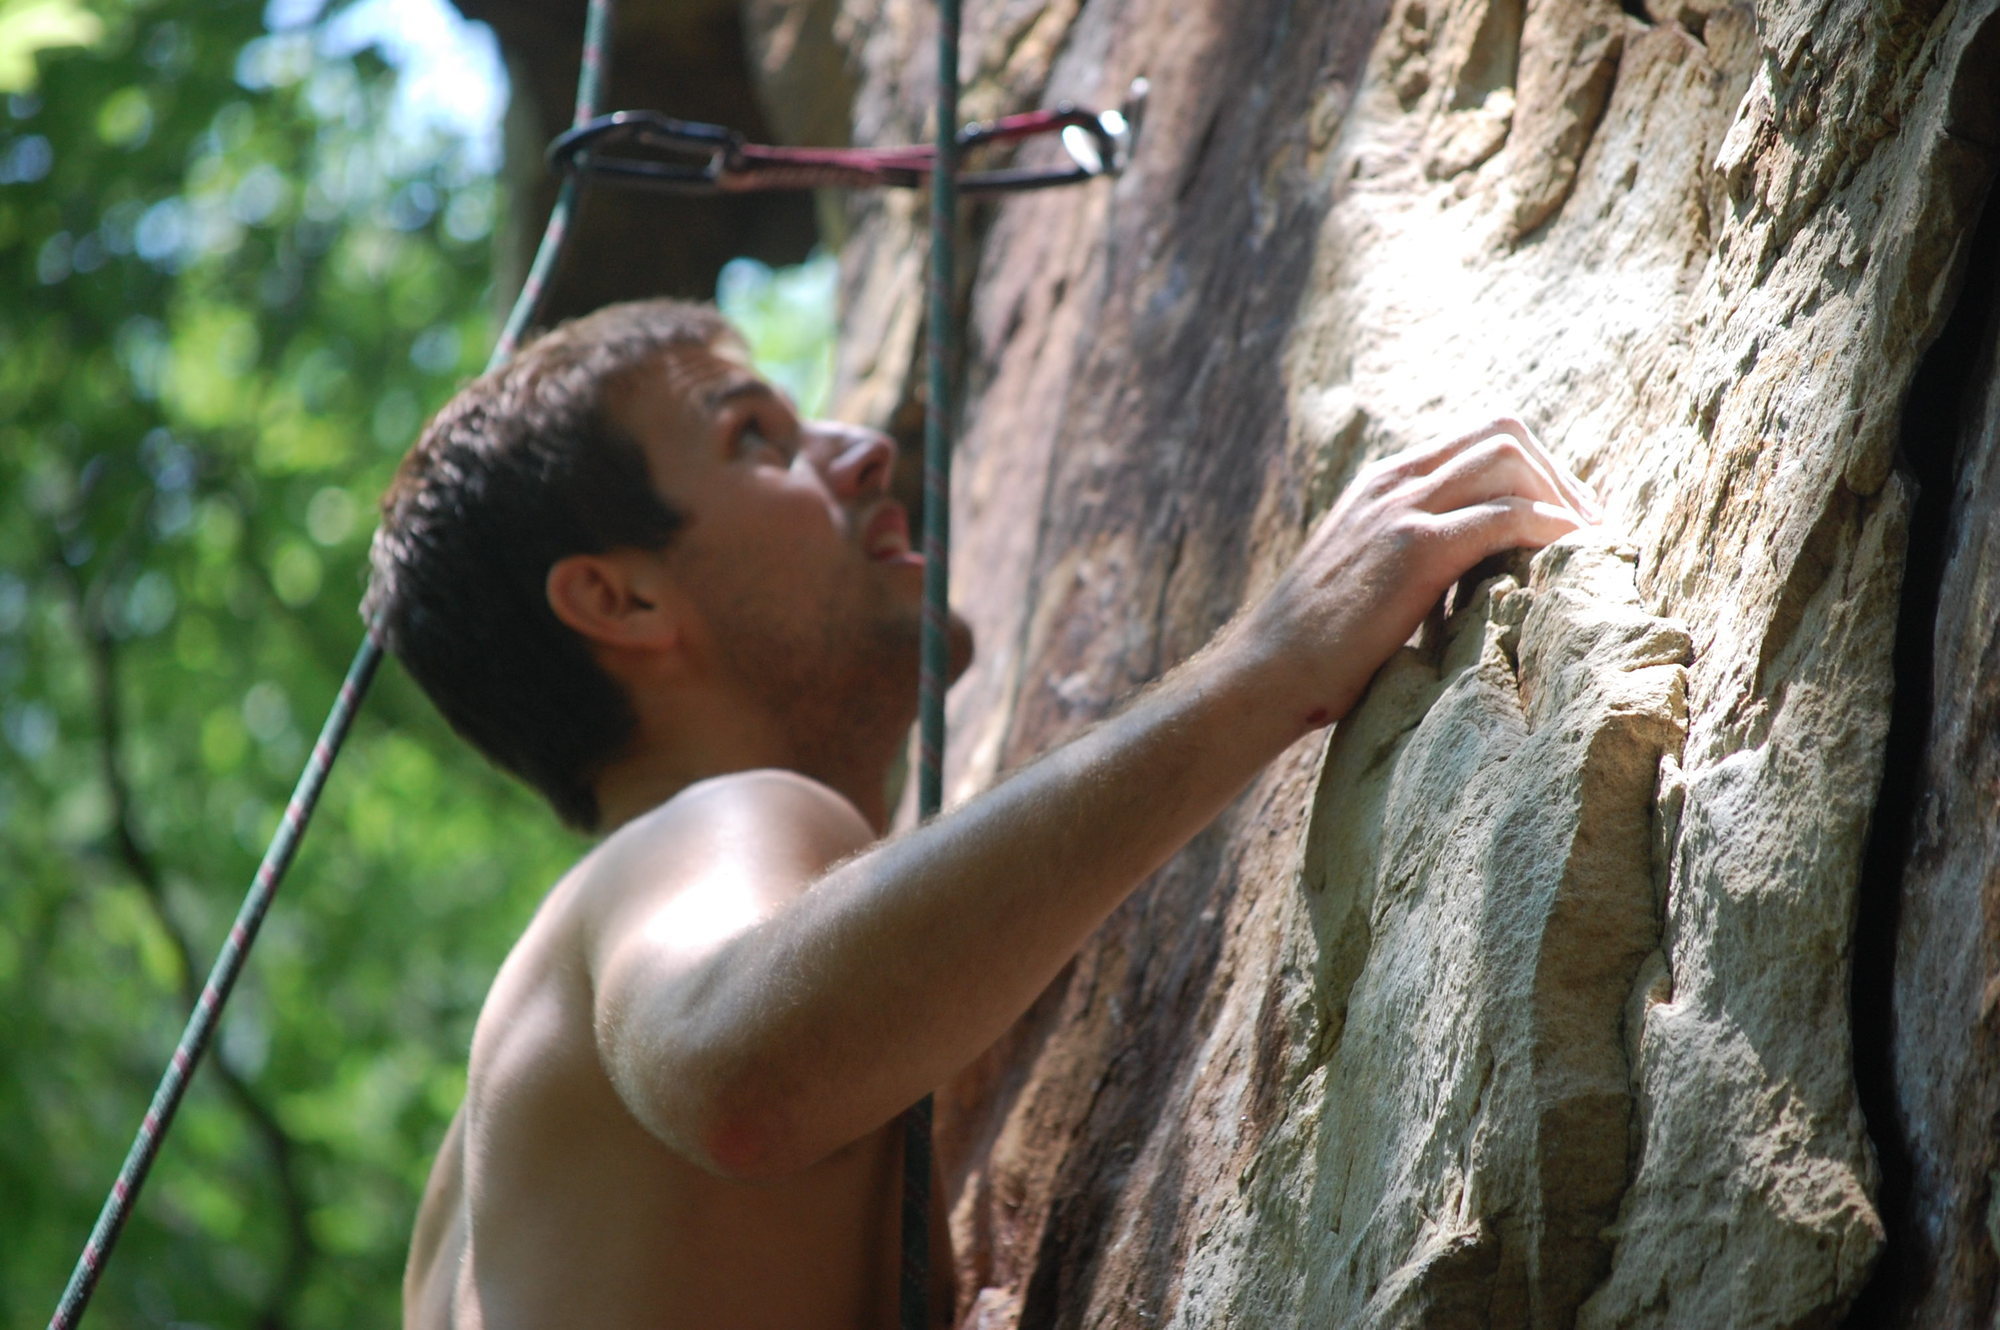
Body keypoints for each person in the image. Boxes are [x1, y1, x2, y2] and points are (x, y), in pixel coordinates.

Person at [365, 297, 1601, 1330]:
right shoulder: (696, 833)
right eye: (754, 438)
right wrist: (1264, 665)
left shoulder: (495, 1159)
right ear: (620, 602)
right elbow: (735, 1064)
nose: (860, 446)